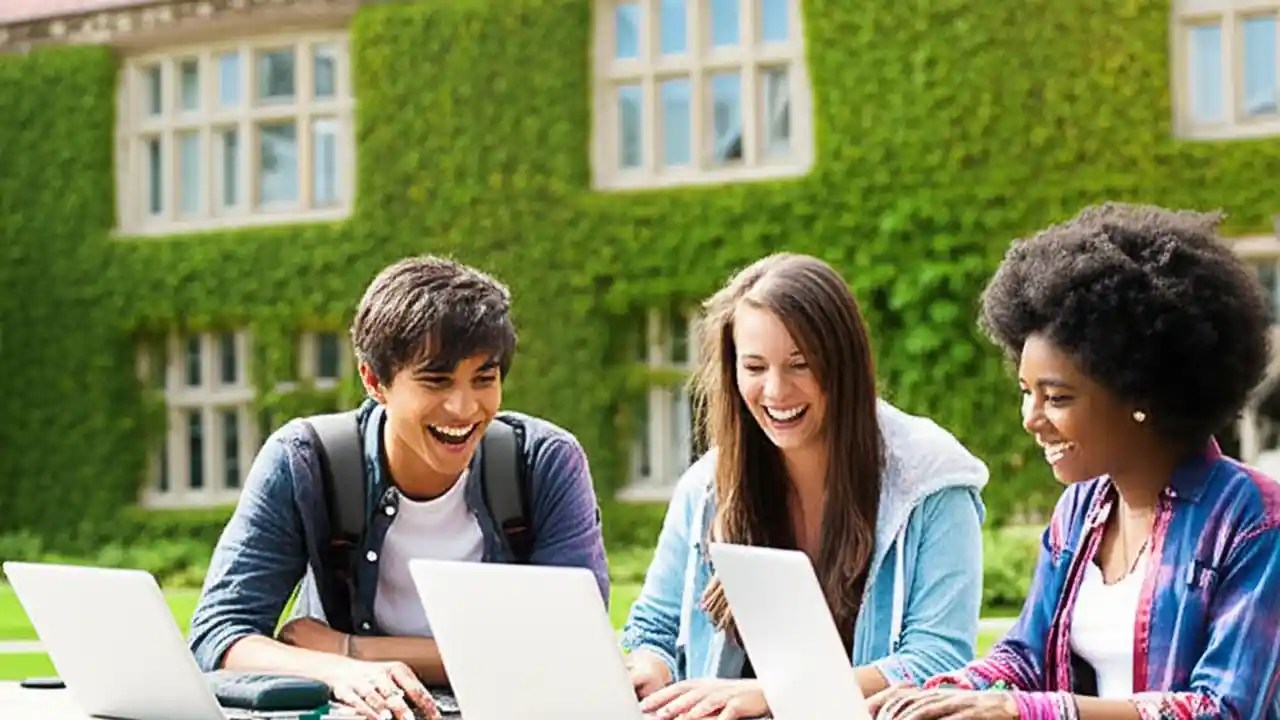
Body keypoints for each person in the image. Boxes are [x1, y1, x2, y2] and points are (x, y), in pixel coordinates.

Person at [869, 203, 1280, 719]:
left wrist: (1028, 712)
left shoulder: (1254, 522)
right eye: (1026, 392)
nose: (1030, 418)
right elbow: (1025, 655)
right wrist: (941, 693)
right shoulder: (1080, 510)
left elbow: (1224, 709)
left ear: (1140, 392)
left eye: (1057, 398)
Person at [186, 256, 609, 720]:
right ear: (374, 381)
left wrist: (351, 650)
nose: (464, 407)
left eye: (484, 379)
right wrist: (335, 671)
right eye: (436, 380)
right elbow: (219, 634)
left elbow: (572, 648)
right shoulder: (305, 461)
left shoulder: (544, 461)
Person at [620, 252, 990, 720]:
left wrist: (777, 693)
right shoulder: (708, 487)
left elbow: (939, 660)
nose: (775, 392)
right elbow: (652, 626)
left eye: (800, 365)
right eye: (754, 368)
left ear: (844, 363)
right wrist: (650, 666)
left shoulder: (931, 481)